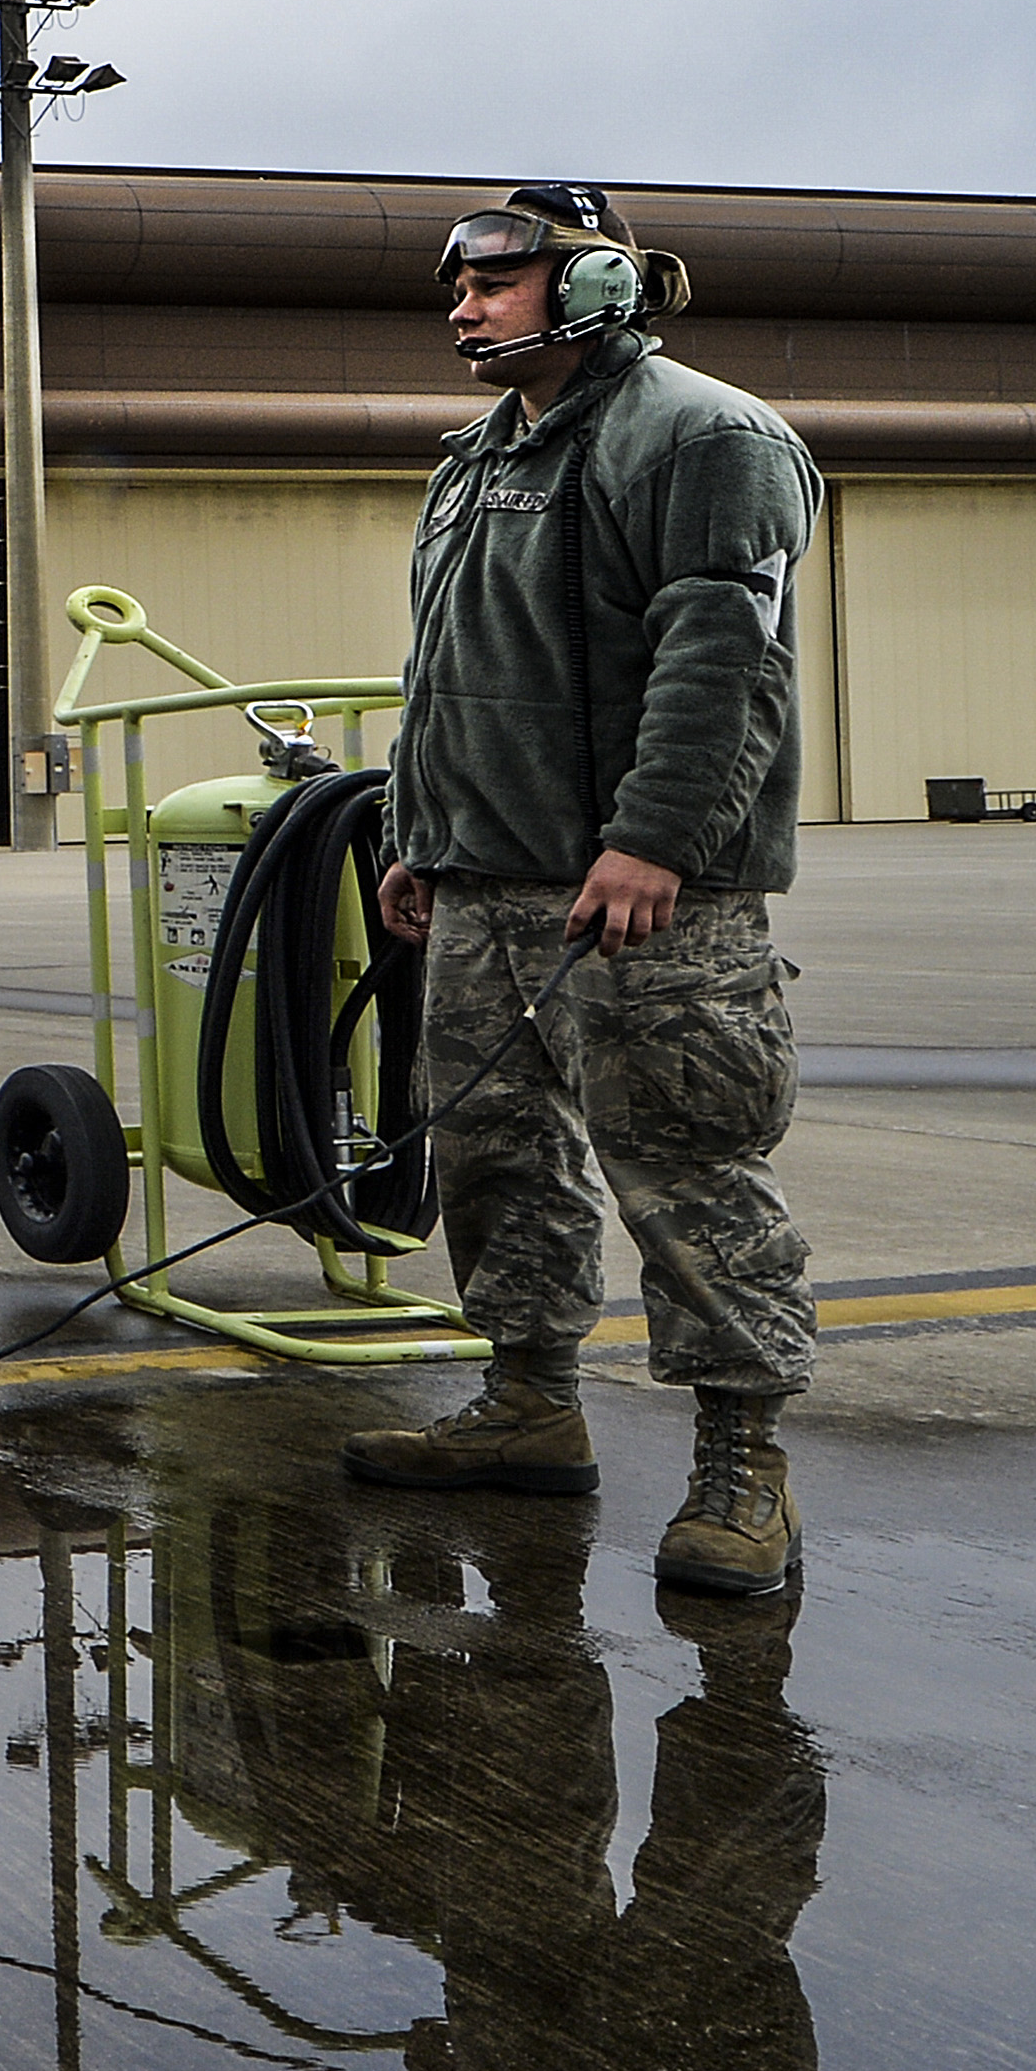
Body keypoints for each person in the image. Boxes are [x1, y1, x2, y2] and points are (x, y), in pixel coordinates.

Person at [344, 185, 824, 1600]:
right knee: (496, 1162)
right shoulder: (477, 455)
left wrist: (659, 839)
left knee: (686, 1171)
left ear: (597, 283)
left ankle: (744, 1468)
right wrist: (418, 828)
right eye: (459, 281)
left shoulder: (704, 437)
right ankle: (531, 1404)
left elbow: (724, 657)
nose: (464, 301)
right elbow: (448, 666)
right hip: (483, 888)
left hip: (642, 895)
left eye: (498, 277)